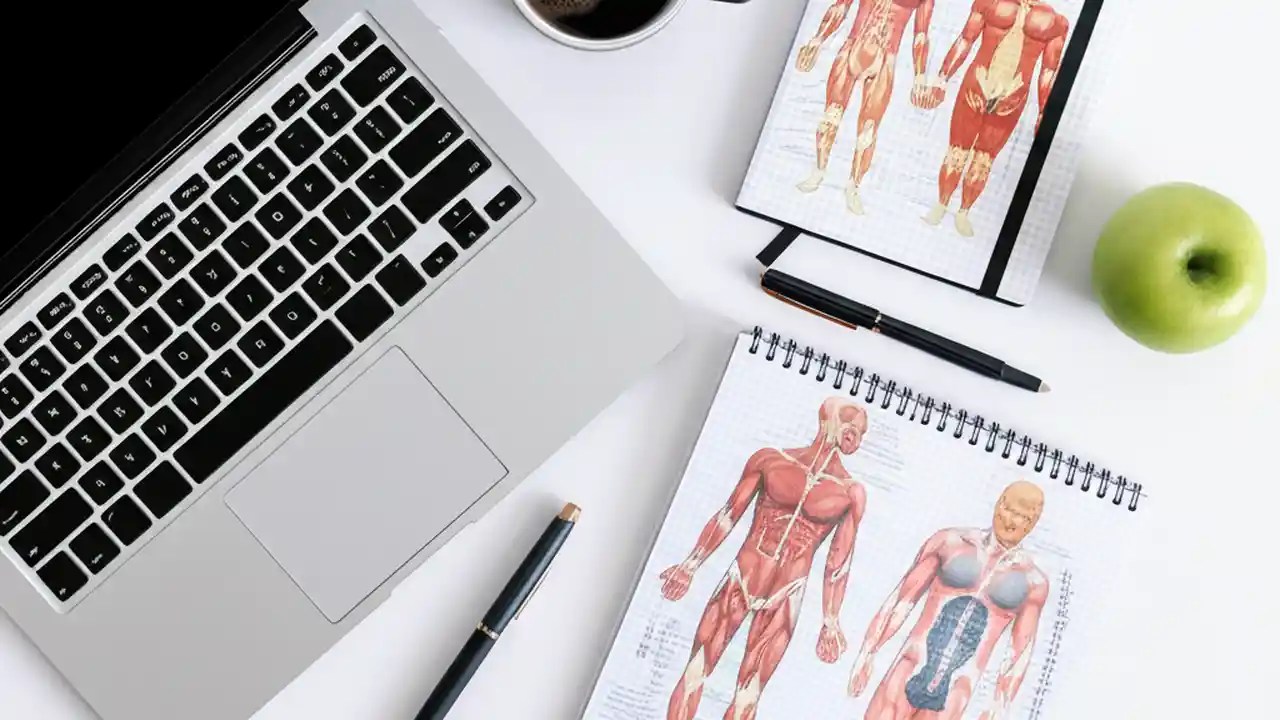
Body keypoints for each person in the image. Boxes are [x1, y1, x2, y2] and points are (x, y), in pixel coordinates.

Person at [659, 398, 870, 720]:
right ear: (826, 420)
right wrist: (690, 565)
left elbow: (838, 562)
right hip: (741, 577)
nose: (855, 436)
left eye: (861, 432)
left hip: (786, 595)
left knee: (748, 694)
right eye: (850, 425)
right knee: (696, 671)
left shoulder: (850, 492)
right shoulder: (771, 460)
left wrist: (830, 620)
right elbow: (729, 514)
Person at [848, 480, 1050, 719]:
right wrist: (868, 651)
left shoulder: (1032, 581)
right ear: (998, 505)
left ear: (1032, 523)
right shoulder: (950, 542)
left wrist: (998, 707)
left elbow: (1019, 652)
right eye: (1009, 509)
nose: (1011, 521)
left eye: (1023, 517)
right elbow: (902, 600)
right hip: (910, 664)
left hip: (957, 687)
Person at [913, 0, 1069, 236]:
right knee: (957, 151)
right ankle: (942, 204)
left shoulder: (1055, 22)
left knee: (983, 160)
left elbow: (1048, 71)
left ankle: (964, 211)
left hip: (1012, 96)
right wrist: (942, 79)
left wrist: (1043, 114)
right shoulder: (989, 2)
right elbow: (965, 39)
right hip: (975, 85)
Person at [794, 0, 937, 215]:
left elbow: (921, 33)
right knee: (830, 117)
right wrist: (818, 39)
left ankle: (853, 186)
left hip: (885, 57)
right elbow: (841, 5)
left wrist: (920, 76)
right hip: (854, 45)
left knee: (867, 132)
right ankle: (819, 171)